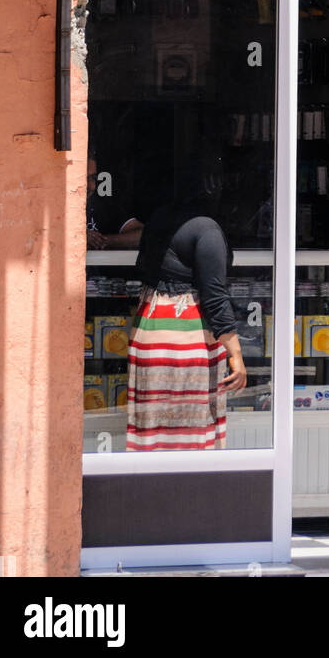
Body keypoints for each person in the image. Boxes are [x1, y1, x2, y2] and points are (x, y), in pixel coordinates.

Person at [126, 168, 246, 451]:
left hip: (149, 332)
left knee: (153, 434)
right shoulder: (207, 229)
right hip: (187, 340)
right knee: (188, 439)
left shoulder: (159, 220)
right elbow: (215, 297)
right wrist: (237, 356)